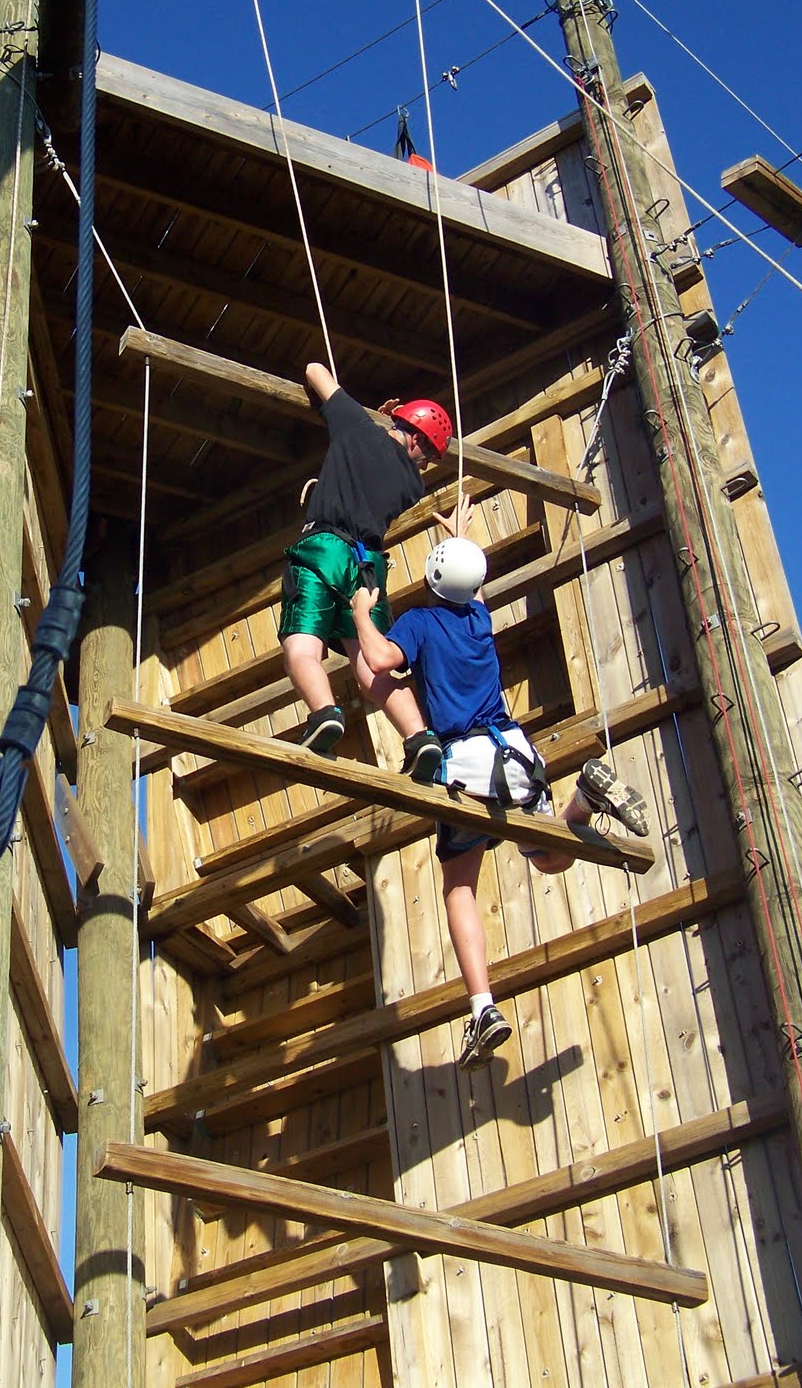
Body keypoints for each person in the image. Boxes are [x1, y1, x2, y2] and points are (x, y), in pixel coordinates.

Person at [351, 498, 649, 1071]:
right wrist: (463, 540)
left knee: (458, 888)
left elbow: (382, 658)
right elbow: (472, 586)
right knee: (551, 856)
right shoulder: (478, 619)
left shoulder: (419, 622)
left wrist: (363, 612)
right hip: (515, 755)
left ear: (433, 577)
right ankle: (584, 797)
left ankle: (482, 1006)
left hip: (465, 764)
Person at [278, 361, 452, 781]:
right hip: (368, 566)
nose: (425, 465)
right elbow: (386, 461)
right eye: (428, 456)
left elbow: (314, 370)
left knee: (302, 647)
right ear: (416, 441)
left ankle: (324, 713)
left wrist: (363, 413)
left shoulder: (355, 426)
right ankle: (419, 737)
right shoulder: (412, 486)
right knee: (372, 667)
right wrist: (381, 423)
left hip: (324, 548)